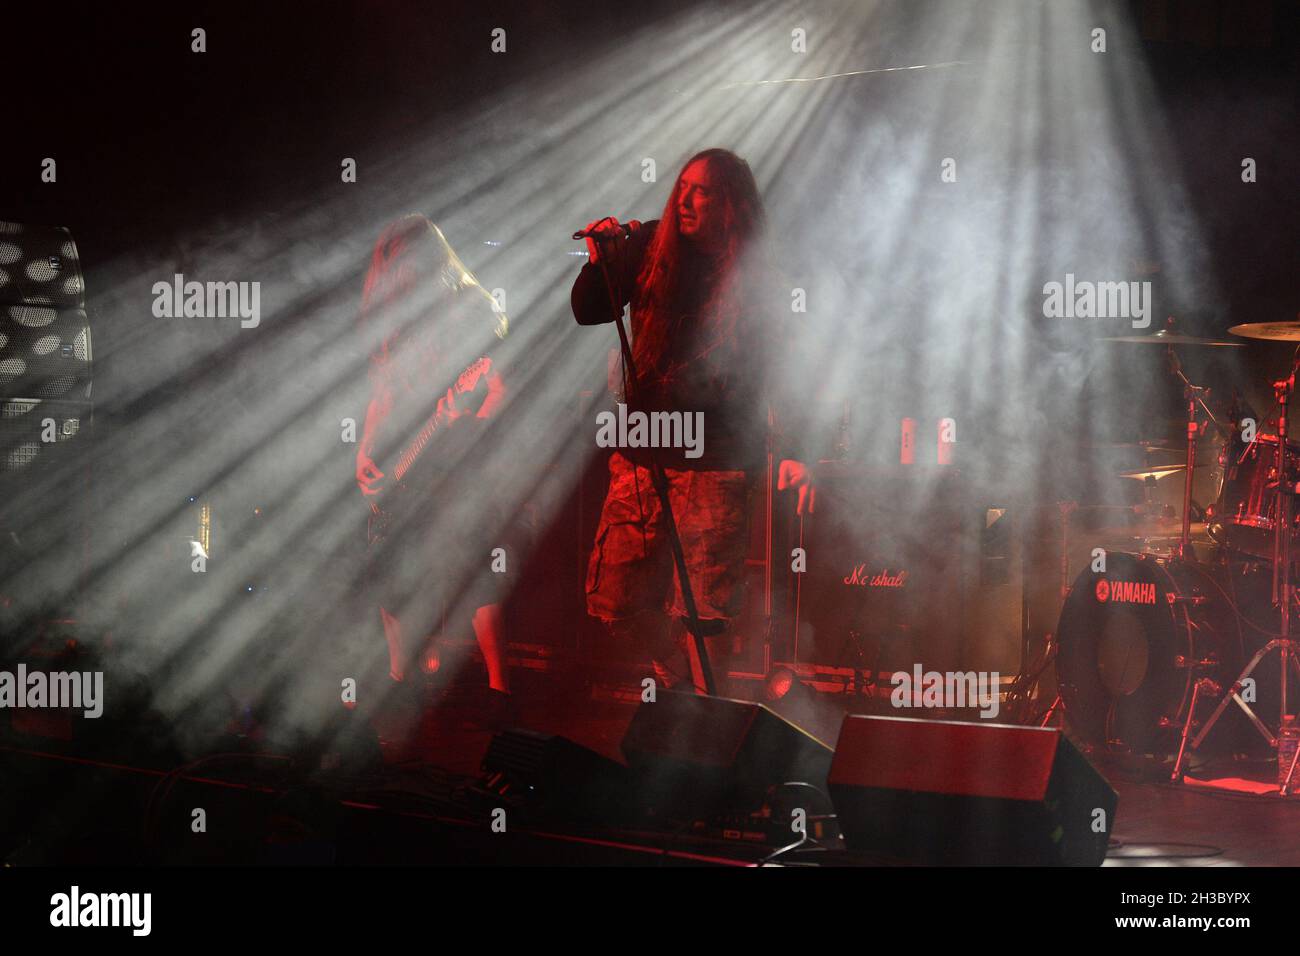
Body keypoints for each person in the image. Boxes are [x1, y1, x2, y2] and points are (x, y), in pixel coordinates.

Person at [571, 148, 816, 692]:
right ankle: (672, 675)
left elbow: (784, 367)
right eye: (682, 186)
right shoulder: (650, 248)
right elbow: (589, 309)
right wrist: (600, 260)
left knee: (703, 614)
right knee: (612, 602)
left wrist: (797, 448)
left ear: (730, 203)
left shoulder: (757, 273)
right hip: (643, 453)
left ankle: (706, 727)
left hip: (719, 461)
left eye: (701, 190)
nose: (685, 198)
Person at [355, 214, 516, 726]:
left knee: (472, 567)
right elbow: (382, 391)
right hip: (407, 457)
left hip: (463, 459)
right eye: (390, 267)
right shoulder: (392, 317)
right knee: (390, 564)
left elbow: (499, 385)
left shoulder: (474, 307)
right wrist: (365, 450)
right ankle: (399, 681)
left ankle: (500, 690)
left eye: (404, 265)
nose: (397, 276)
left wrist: (468, 419)